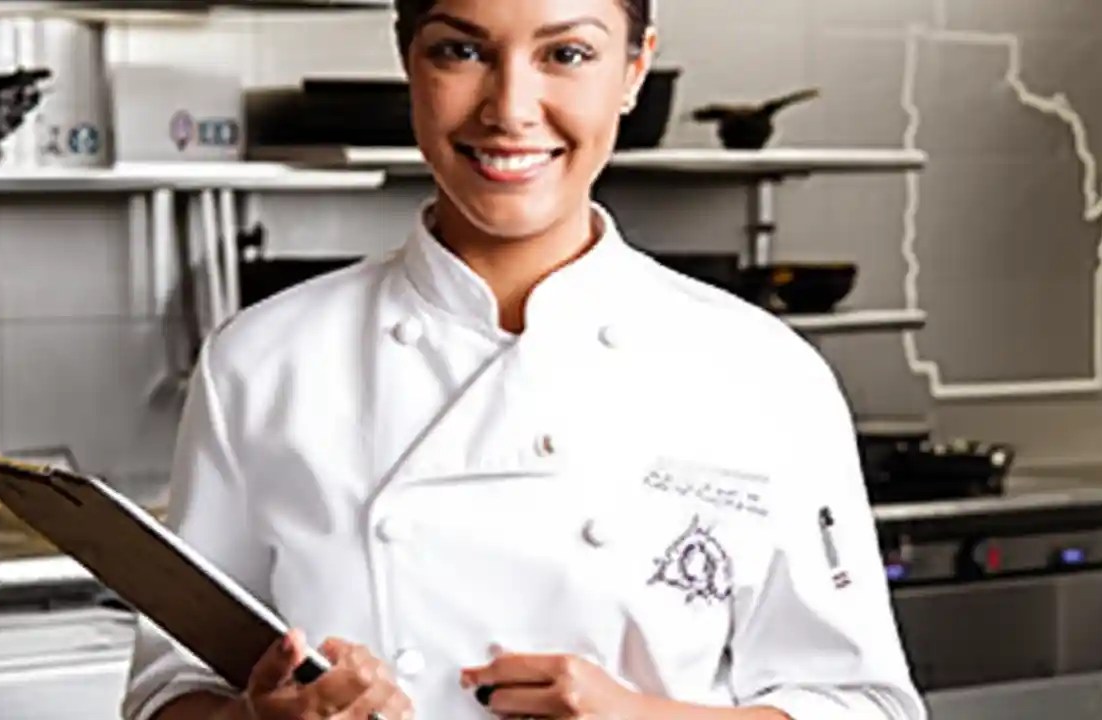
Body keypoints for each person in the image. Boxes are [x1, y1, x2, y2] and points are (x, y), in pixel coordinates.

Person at [122, 0, 926, 718]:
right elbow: (167, 694)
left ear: (634, 69)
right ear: (410, 64)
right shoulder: (262, 362)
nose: (510, 109)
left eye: (566, 54)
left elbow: (866, 706)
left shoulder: (762, 372)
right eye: (460, 51)